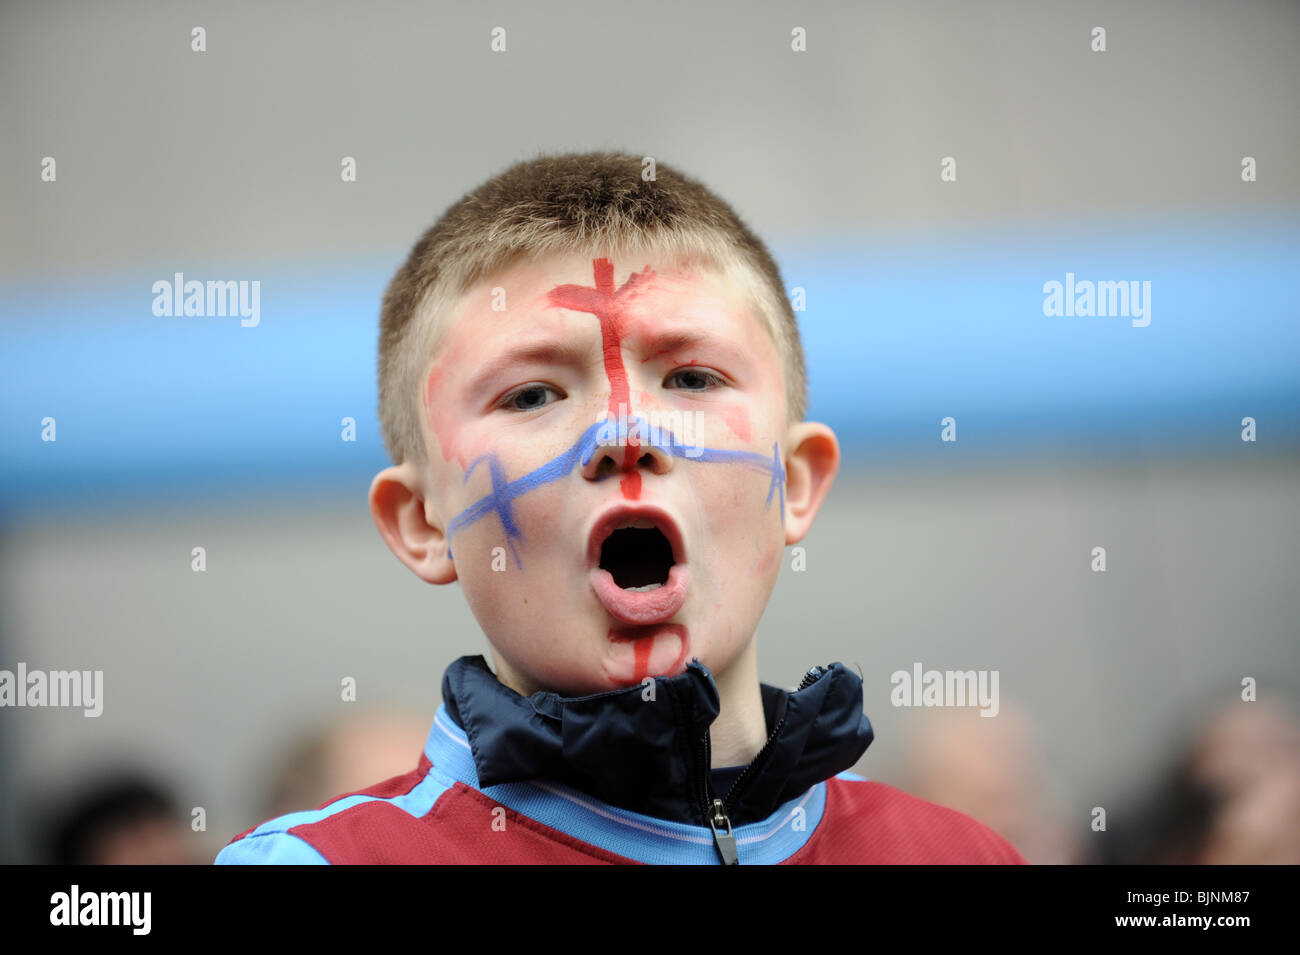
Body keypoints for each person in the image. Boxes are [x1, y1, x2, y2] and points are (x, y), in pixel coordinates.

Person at [216, 151, 1026, 864]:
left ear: (799, 480)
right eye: (531, 392)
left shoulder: (961, 855)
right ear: (422, 522)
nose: (625, 430)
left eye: (693, 378)